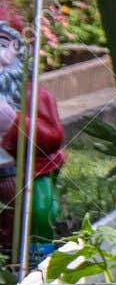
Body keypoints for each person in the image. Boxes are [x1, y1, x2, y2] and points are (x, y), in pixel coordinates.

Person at [0, 17, 66, 252]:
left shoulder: (33, 95)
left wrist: (12, 122)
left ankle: (35, 255)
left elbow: (52, 137)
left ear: (16, 50)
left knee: (36, 211)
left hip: (26, 170)